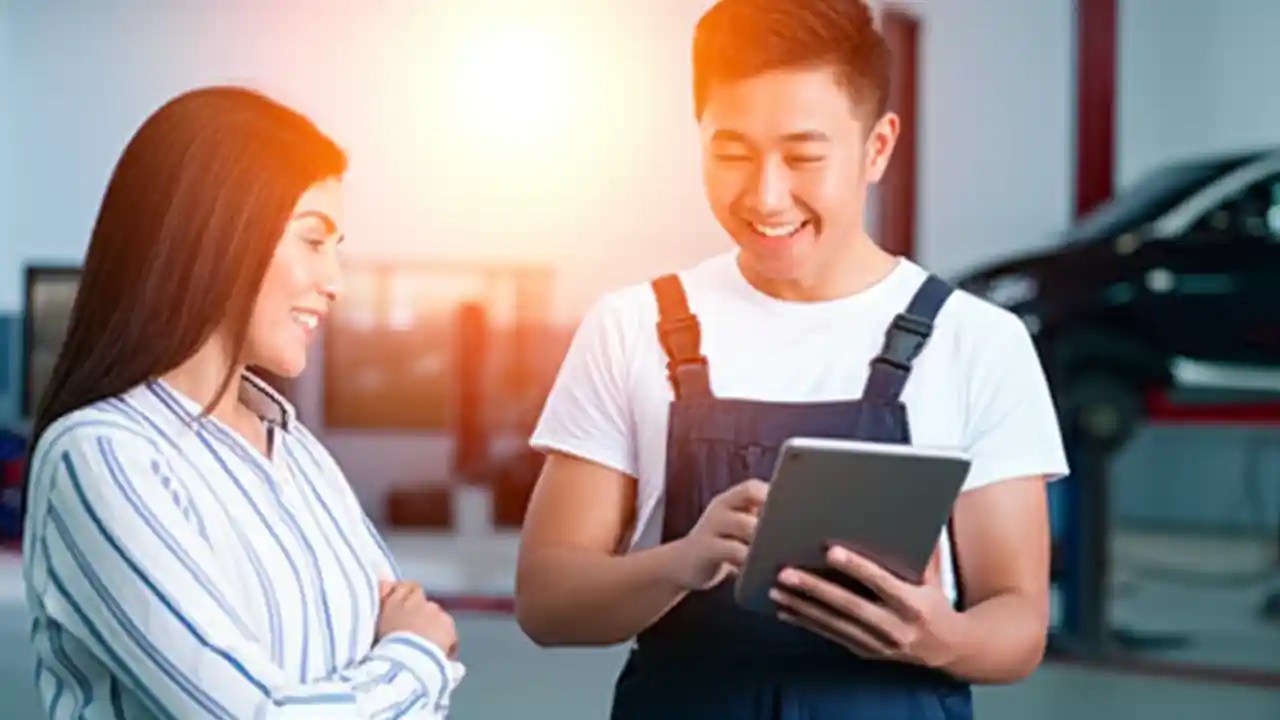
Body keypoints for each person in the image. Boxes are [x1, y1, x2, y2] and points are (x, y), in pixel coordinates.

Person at [514, 0, 1069, 717]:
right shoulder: (633, 327)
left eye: (804, 155)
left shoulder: (977, 342)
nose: (765, 196)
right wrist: (682, 562)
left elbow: (1019, 622)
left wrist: (939, 638)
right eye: (732, 152)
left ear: (877, 148)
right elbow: (547, 602)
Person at [22, 86, 464, 719]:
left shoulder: (297, 452)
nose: (334, 283)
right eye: (313, 241)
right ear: (217, 233)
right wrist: (417, 657)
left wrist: (397, 663)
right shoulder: (104, 458)